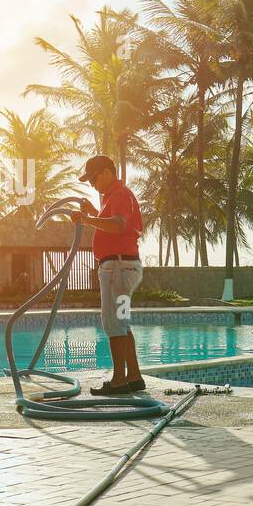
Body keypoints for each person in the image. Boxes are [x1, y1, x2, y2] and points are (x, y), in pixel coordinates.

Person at [73, 155, 146, 395]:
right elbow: (111, 221)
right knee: (122, 324)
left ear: (106, 172)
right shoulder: (115, 197)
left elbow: (118, 225)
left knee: (114, 323)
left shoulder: (119, 195)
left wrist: (87, 219)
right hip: (123, 266)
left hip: (117, 267)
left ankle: (118, 381)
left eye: (94, 178)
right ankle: (133, 376)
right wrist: (93, 211)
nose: (93, 184)